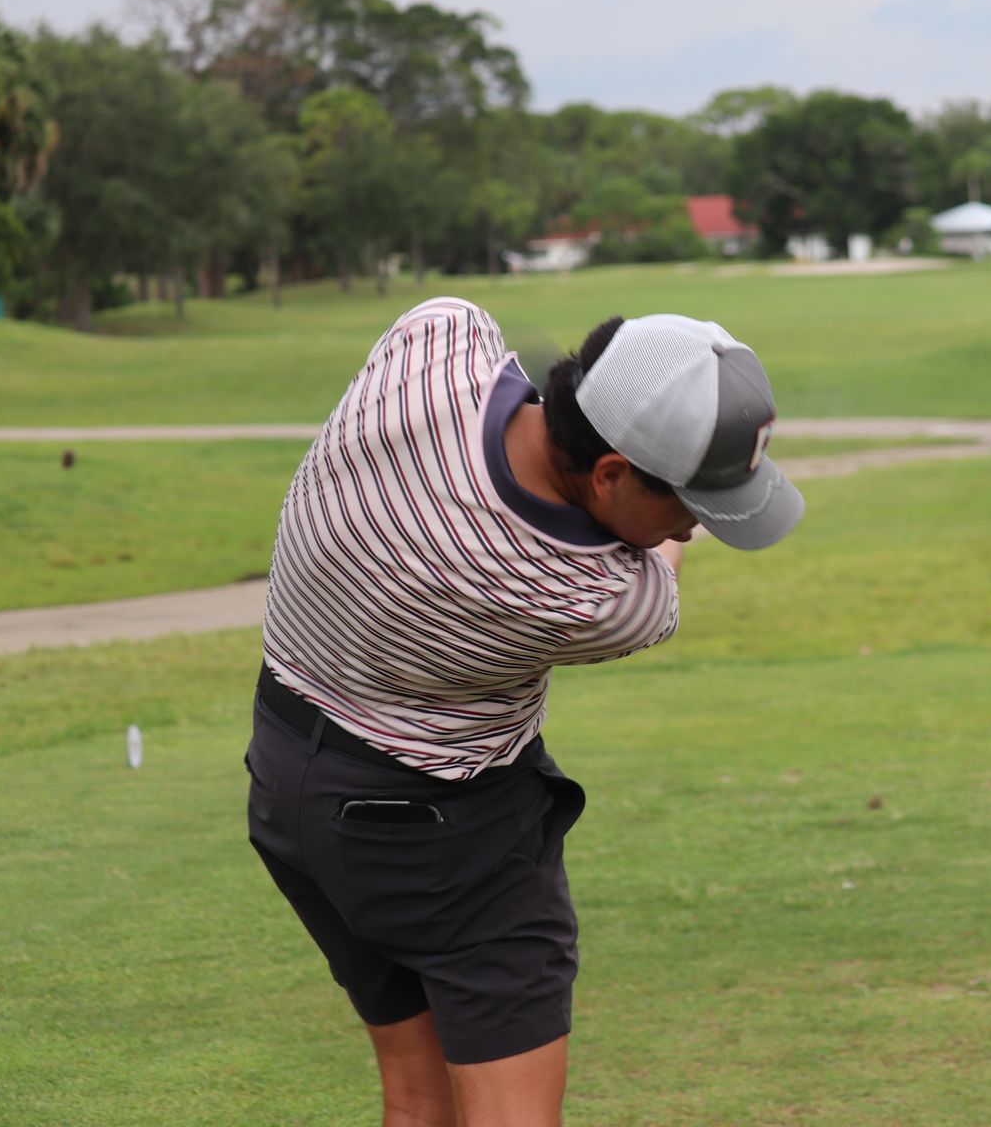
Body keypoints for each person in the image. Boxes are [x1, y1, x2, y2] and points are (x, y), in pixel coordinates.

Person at [245, 297, 802, 1126]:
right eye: (688, 501)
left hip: (288, 776)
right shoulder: (596, 597)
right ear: (608, 474)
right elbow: (656, 573)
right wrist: (667, 532)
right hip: (441, 834)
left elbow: (470, 341)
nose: (692, 524)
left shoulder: (433, 342)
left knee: (418, 1101)